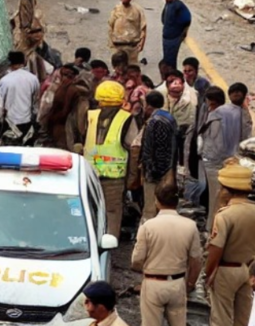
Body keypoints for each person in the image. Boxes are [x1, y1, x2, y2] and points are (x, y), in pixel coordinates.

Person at [194, 165, 255, 326]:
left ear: (228, 190)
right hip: (249, 269)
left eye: (222, 188)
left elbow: (216, 250)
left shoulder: (225, 215)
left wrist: (209, 273)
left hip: (226, 269)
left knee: (221, 314)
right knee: (243, 313)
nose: (220, 191)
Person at [131, 184, 202, 326]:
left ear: (157, 201)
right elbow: (196, 260)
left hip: (153, 282)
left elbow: (136, 260)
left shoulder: (148, 226)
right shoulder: (190, 226)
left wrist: (146, 267)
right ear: (177, 201)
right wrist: (190, 284)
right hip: (177, 283)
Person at [85, 81, 139, 239]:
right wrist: (133, 176)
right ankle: (109, 243)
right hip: (115, 176)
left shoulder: (90, 115)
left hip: (89, 173)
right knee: (113, 212)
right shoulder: (127, 118)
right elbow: (134, 147)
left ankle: (89, 240)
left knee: (90, 208)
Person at [198, 87, 243, 230]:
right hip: (234, 160)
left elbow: (213, 143)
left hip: (215, 163)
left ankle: (214, 229)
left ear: (212, 102)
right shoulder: (235, 111)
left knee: (216, 198)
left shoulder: (215, 116)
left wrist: (204, 156)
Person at [137, 92, 177, 222]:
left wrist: (154, 172)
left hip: (157, 173)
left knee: (150, 209)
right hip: (165, 169)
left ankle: (147, 237)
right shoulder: (168, 117)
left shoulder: (156, 121)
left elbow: (159, 149)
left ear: (148, 105)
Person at [0, 51, 41, 141]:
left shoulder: (4, 80)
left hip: (10, 124)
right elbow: (36, 100)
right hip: (27, 122)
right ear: (24, 62)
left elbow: (0, 106)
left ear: (9, 62)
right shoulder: (33, 78)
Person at [43, 65, 83, 150]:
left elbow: (65, 110)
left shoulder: (71, 89)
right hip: (59, 125)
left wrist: (50, 119)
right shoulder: (63, 87)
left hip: (64, 126)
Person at [109, 0, 148, 66]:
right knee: (118, 69)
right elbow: (110, 26)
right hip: (118, 46)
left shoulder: (137, 10)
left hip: (132, 47)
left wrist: (142, 43)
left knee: (131, 69)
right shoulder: (116, 10)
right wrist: (111, 42)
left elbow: (143, 27)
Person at [161, 0, 192, 69]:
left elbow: (187, 19)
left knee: (170, 61)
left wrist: (183, 33)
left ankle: (173, 78)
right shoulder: (168, 5)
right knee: (166, 60)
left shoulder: (178, 5)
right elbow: (163, 19)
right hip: (166, 38)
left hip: (174, 38)